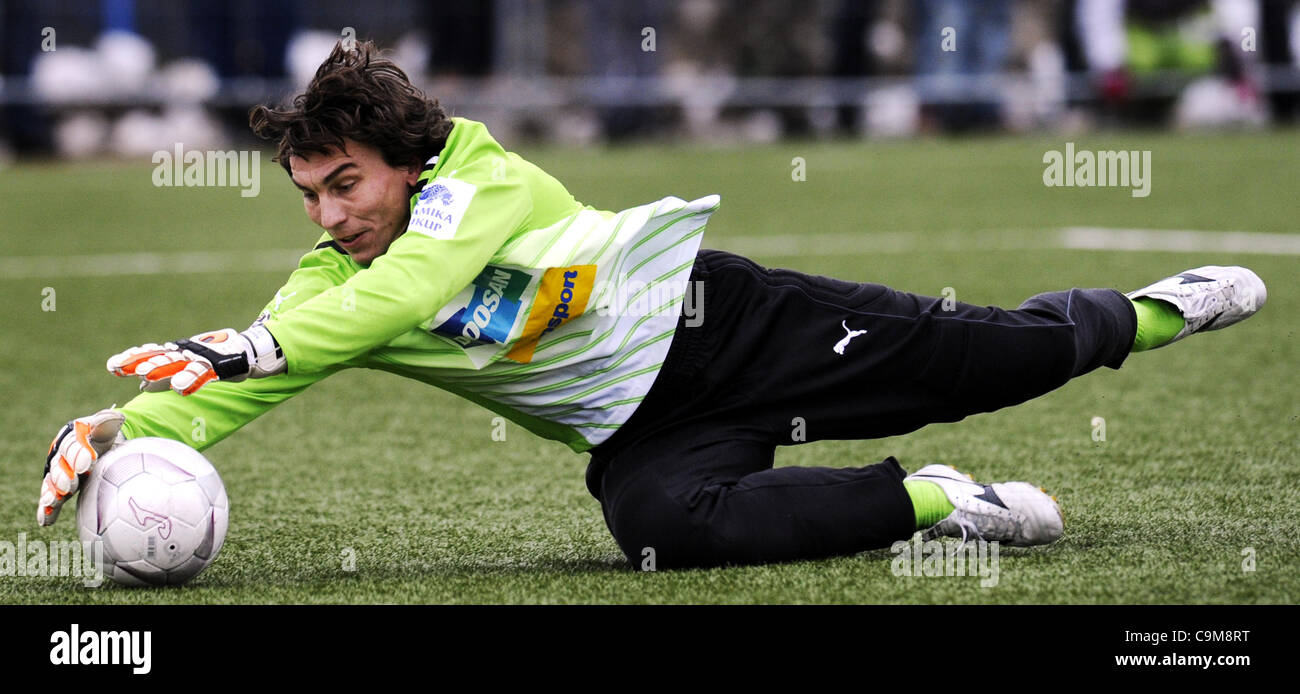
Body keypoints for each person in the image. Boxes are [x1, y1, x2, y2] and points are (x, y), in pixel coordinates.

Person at [37, 41, 1267, 571]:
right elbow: (249, 388)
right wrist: (117, 434)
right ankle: (937, 500)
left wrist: (253, 340)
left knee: (998, 357)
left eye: (343, 184)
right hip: (645, 428)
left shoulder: (479, 176)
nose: (326, 217)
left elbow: (413, 285)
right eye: (306, 196)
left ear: (402, 161)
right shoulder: (325, 291)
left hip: (723, 324)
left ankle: (1152, 313)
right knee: (663, 533)